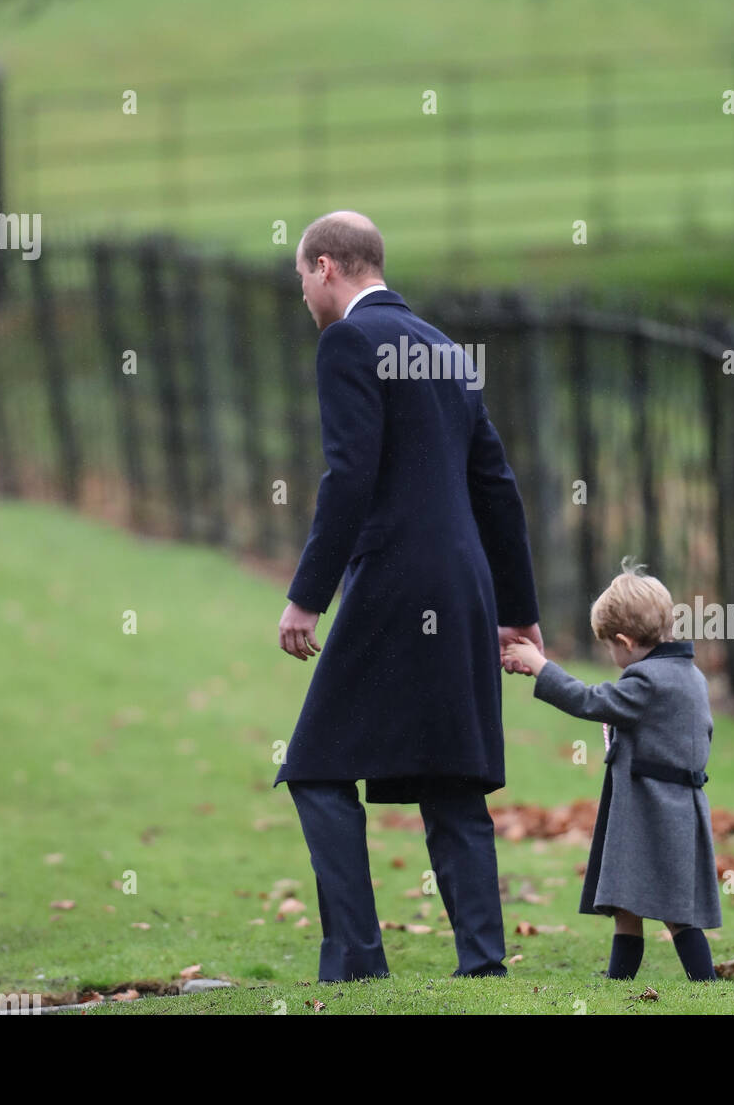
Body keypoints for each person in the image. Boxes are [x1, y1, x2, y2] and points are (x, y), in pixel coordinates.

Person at [275, 210, 544, 983]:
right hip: (461, 584)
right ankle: (482, 965)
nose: (302, 294)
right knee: (450, 775)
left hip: (394, 579)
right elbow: (497, 487)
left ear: (326, 266)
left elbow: (348, 476)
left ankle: (358, 962)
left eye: (301, 276)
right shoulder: (444, 349)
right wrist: (516, 611)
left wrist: (307, 596)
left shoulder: (348, 342)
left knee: (317, 768)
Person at [503, 561, 721, 982]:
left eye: (610, 647)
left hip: (654, 808)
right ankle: (617, 982)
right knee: (627, 900)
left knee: (675, 913)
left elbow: (591, 701)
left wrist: (540, 666)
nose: (611, 657)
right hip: (666, 806)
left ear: (625, 641)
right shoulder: (690, 675)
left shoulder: (647, 680)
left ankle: (706, 983)